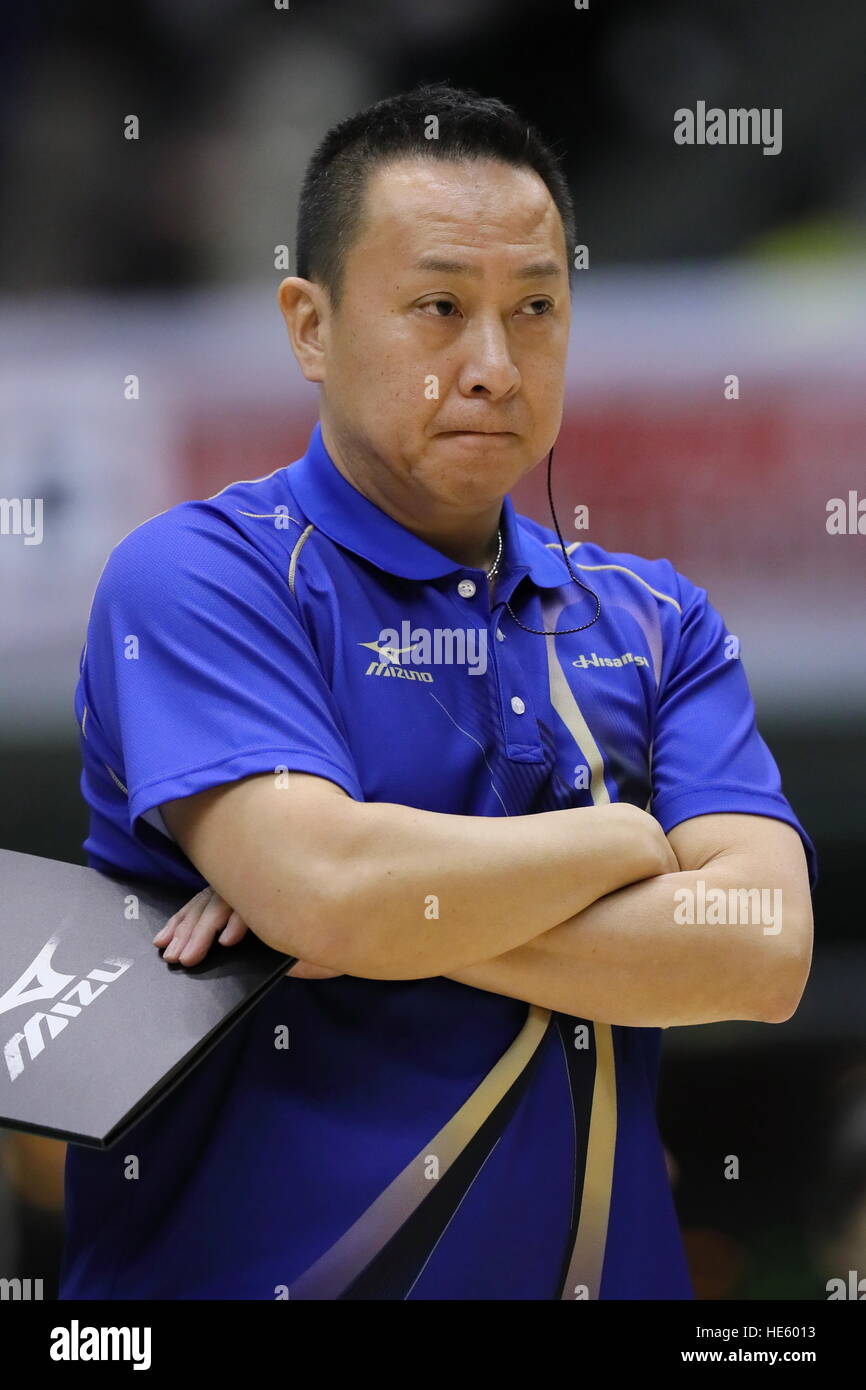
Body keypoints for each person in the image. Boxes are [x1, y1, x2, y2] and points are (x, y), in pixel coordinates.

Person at [58, 82, 816, 1301]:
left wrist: (351, 918)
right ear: (308, 325)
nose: (492, 365)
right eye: (437, 308)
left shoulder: (653, 616)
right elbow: (329, 890)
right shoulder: (203, 574)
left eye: (534, 310)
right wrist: (624, 844)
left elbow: (762, 951)